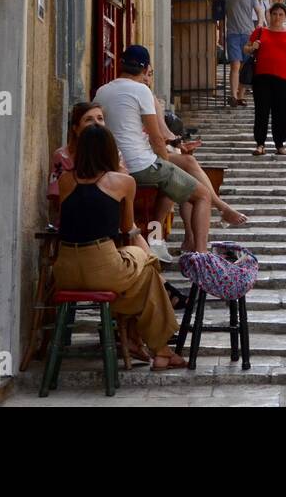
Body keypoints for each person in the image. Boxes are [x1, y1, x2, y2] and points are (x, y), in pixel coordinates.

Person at [52, 124, 186, 371]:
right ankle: (160, 349)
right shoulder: (123, 182)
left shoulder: (65, 181)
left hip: (65, 270)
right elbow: (127, 227)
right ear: (110, 151)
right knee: (148, 265)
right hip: (102, 265)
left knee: (145, 279)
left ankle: (146, 343)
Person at [93, 46, 246, 256]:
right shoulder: (141, 91)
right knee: (201, 195)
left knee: (185, 168)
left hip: (114, 163)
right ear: (146, 69)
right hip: (140, 165)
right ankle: (202, 256)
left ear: (121, 64)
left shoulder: (102, 91)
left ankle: (181, 238)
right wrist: (165, 162)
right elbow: (157, 137)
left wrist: (172, 149)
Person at [244, 2, 286, 156]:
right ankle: (260, 144)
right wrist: (252, 47)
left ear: (285, 16)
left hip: (283, 79)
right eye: (274, 14)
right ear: (269, 14)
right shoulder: (260, 32)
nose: (277, 17)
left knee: (281, 112)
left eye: (280, 14)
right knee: (261, 111)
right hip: (262, 77)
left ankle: (280, 144)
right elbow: (246, 48)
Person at [222, 0, 264, 107]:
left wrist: (260, 23)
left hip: (248, 34)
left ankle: (240, 96)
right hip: (233, 34)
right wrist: (222, 34)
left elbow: (259, 11)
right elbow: (221, 15)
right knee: (235, 64)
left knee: (246, 66)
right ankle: (233, 96)